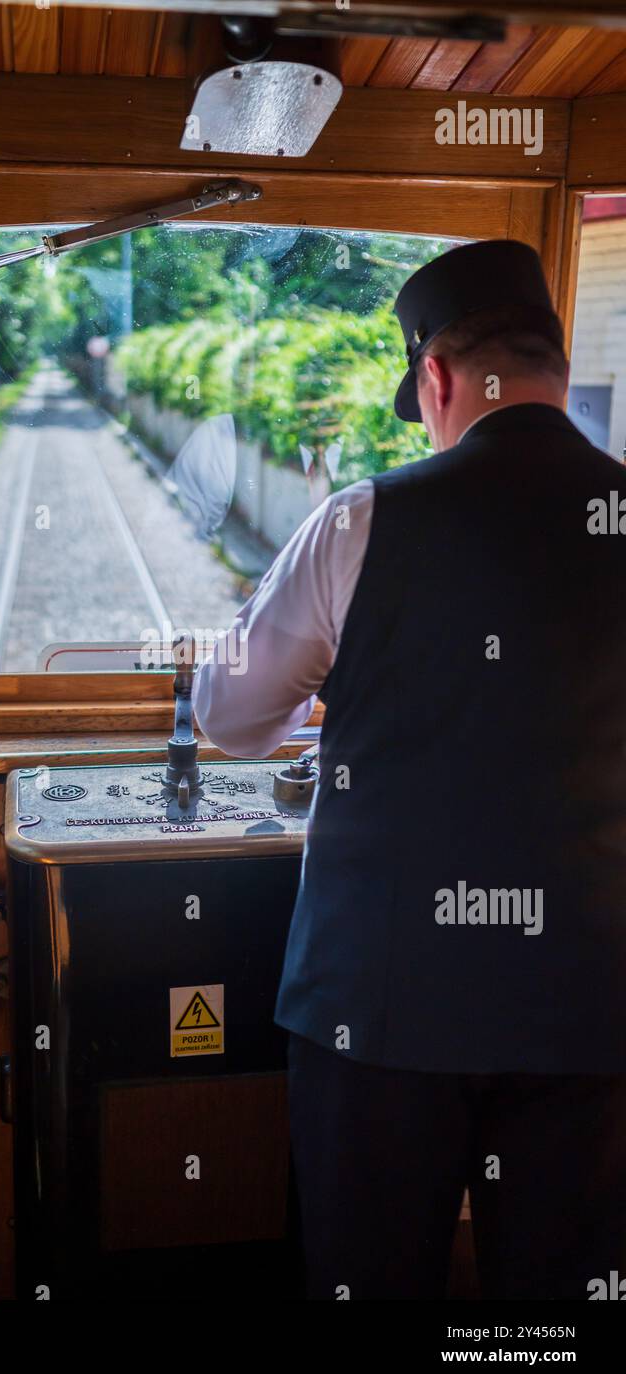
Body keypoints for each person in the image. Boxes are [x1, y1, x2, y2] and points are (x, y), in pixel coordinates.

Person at [192, 239, 626, 1301]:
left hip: (379, 1005)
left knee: (370, 1282)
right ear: (558, 371)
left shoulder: (358, 520)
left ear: (434, 376)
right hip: (594, 999)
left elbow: (231, 717)